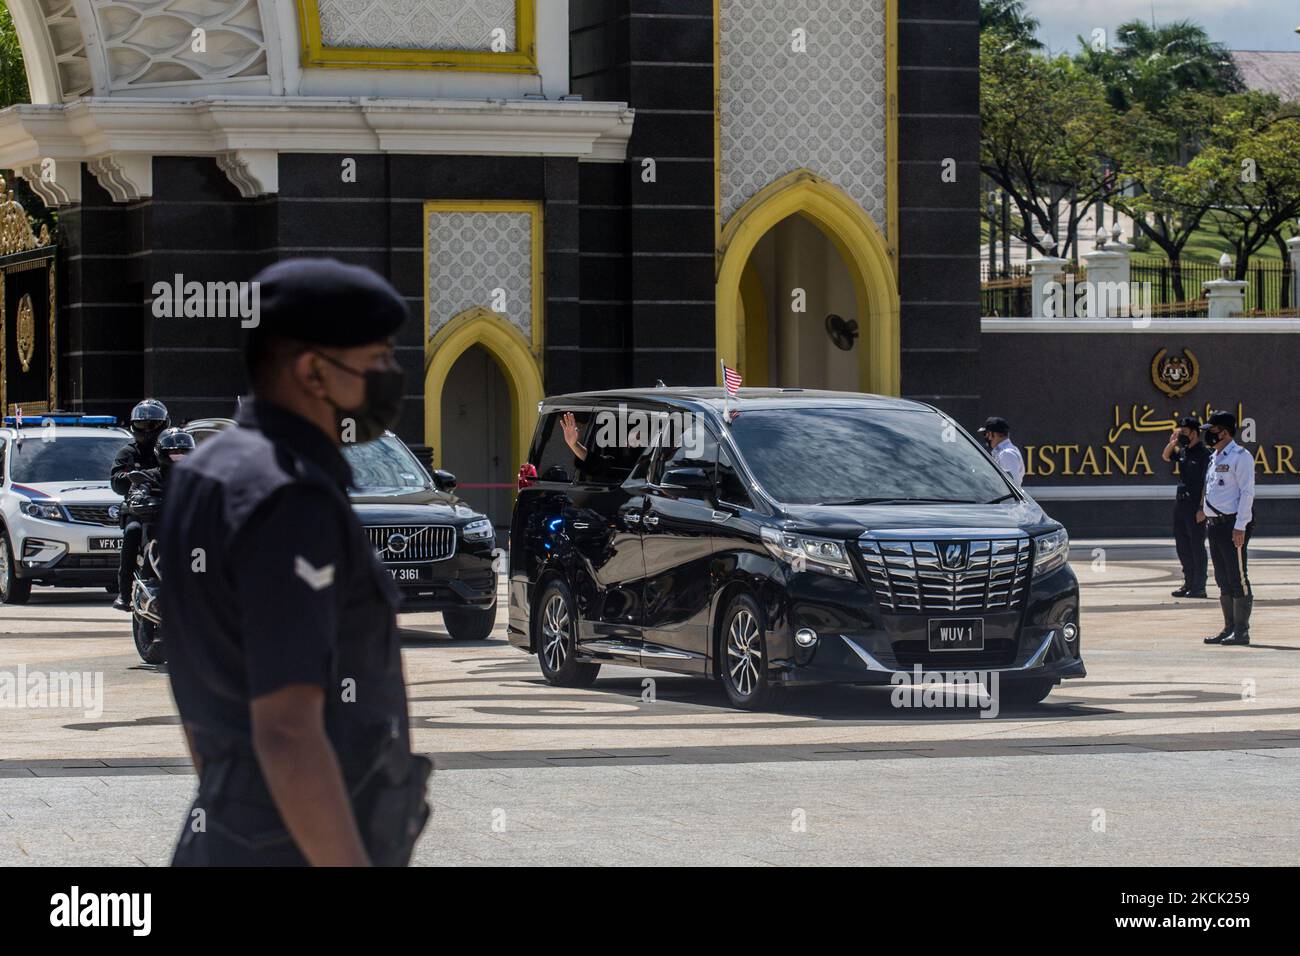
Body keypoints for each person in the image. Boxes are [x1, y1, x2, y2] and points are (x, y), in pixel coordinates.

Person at [159, 258, 431, 866]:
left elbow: (201, 694)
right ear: (313, 371)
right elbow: (287, 730)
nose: (390, 375)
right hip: (295, 846)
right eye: (376, 359)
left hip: (231, 829)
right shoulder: (291, 497)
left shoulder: (206, 473)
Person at [1197, 410, 1256, 646]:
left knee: (1237, 576)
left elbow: (1247, 492)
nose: (1209, 435)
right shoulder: (1215, 456)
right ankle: (1228, 627)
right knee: (1222, 576)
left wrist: (1241, 526)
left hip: (1233, 524)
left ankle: (1241, 631)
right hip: (1215, 525)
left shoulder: (1240, 456)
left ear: (1226, 431)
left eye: (1213, 431)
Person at [110, 399, 169, 611]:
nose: (146, 430)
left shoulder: (170, 447)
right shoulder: (128, 452)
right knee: (132, 532)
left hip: (171, 507)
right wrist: (130, 478)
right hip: (140, 509)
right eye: (142, 425)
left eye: (151, 425)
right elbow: (116, 481)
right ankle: (124, 593)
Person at [1161, 416, 1210, 598]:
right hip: (1180, 504)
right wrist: (1173, 442)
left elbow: (1207, 484)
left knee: (1196, 546)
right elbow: (1166, 456)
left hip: (1194, 506)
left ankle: (1199, 586)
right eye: (1179, 431)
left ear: (1195, 433)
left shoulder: (1204, 455)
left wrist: (1202, 508)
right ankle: (1188, 583)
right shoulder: (1183, 451)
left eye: (1184, 432)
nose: (1181, 434)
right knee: (1182, 545)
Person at [978, 416, 1024, 487]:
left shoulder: (1007, 454)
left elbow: (1013, 486)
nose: (987, 438)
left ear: (992, 434)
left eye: (986, 434)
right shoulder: (1004, 452)